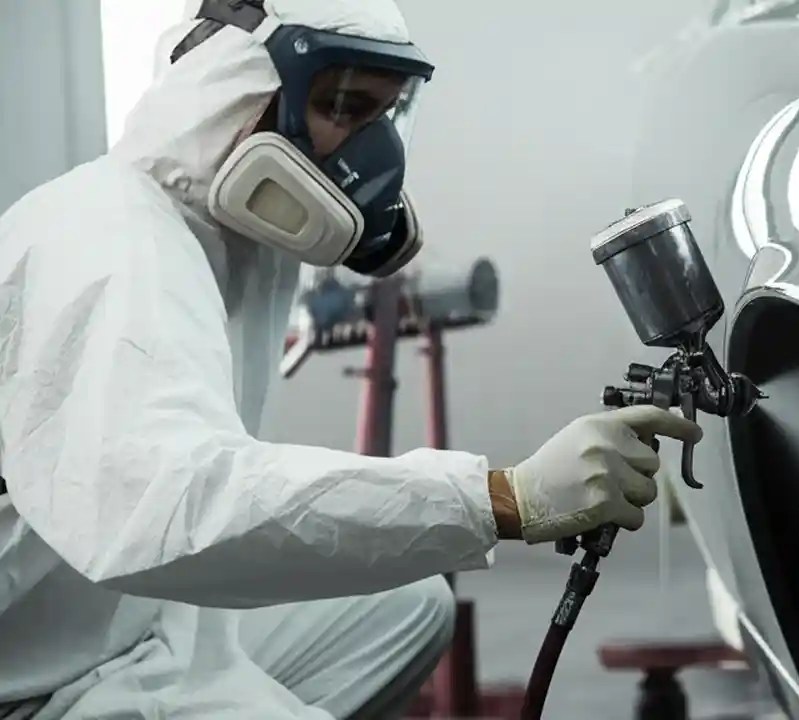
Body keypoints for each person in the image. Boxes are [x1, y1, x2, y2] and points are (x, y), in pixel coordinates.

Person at [0, 1, 701, 718]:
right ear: (229, 91)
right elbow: (173, 507)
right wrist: (502, 499)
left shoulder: (225, 247)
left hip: (130, 623)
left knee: (411, 606)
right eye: (345, 107)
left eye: (385, 116)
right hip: (35, 674)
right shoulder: (109, 244)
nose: (373, 156)